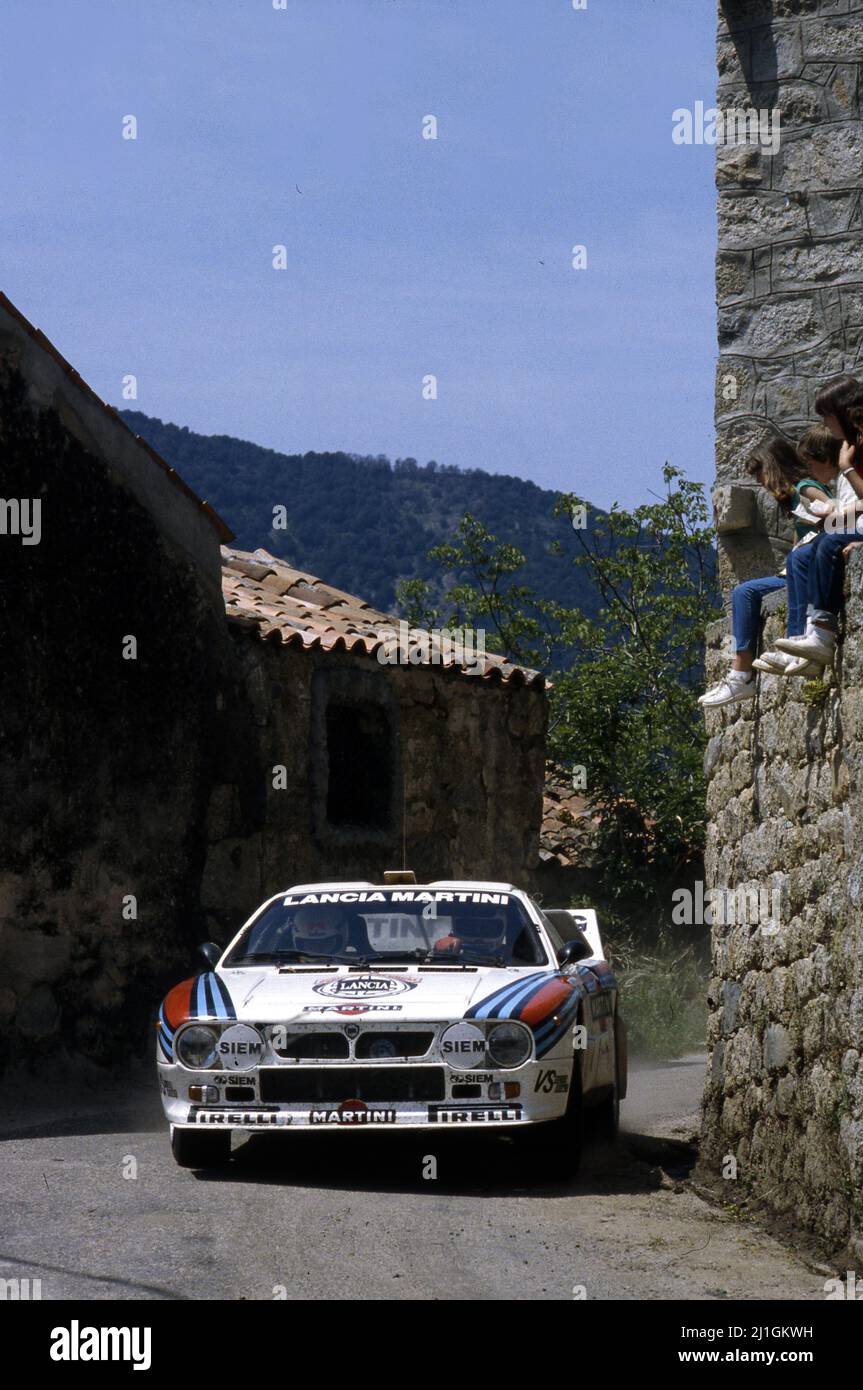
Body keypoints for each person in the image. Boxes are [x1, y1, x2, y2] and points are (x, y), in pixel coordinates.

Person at [699, 435, 835, 708]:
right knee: (743, 592)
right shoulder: (795, 499)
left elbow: (835, 519)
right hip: (795, 569)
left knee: (748, 590)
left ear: (773, 468)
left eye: (761, 474)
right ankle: (740, 672)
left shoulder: (806, 488)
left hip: (810, 566)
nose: (760, 483)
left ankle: (759, 663)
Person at [775, 377, 863, 669]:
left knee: (827, 545)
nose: (826, 423)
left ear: (842, 411)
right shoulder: (851, 445)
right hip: (857, 522)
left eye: (827, 414)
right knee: (804, 554)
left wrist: (847, 468)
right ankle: (810, 633)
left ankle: (821, 635)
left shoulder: (850, 452)